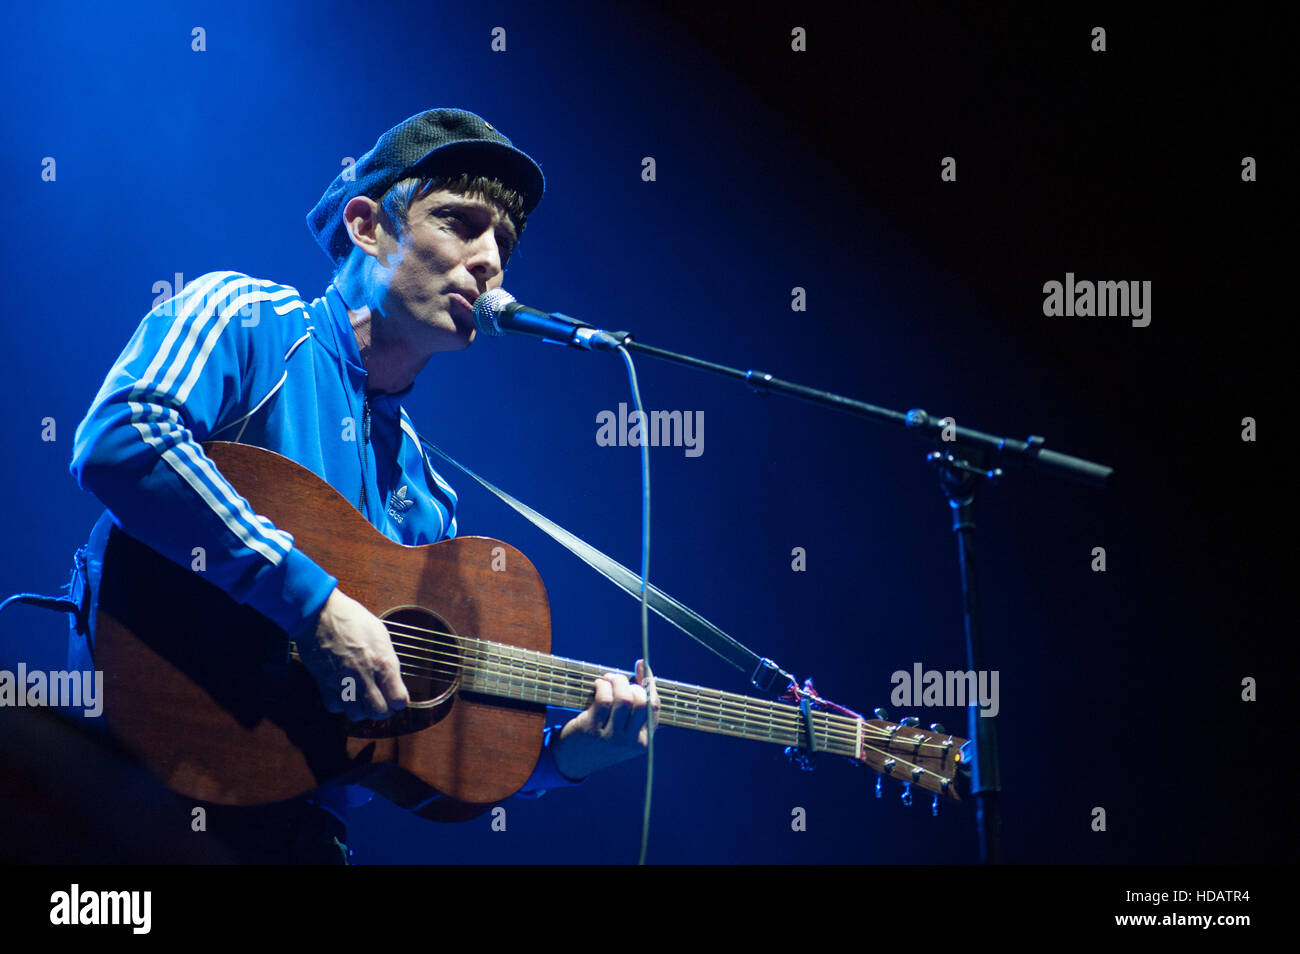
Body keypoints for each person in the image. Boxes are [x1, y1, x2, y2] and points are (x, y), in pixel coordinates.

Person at [68, 108, 657, 863]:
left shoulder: (427, 496)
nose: (489, 261)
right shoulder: (246, 319)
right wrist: (311, 604)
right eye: (460, 223)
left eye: (505, 244)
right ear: (367, 226)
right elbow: (121, 438)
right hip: (126, 799)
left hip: (299, 839)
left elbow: (422, 748)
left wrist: (568, 757)